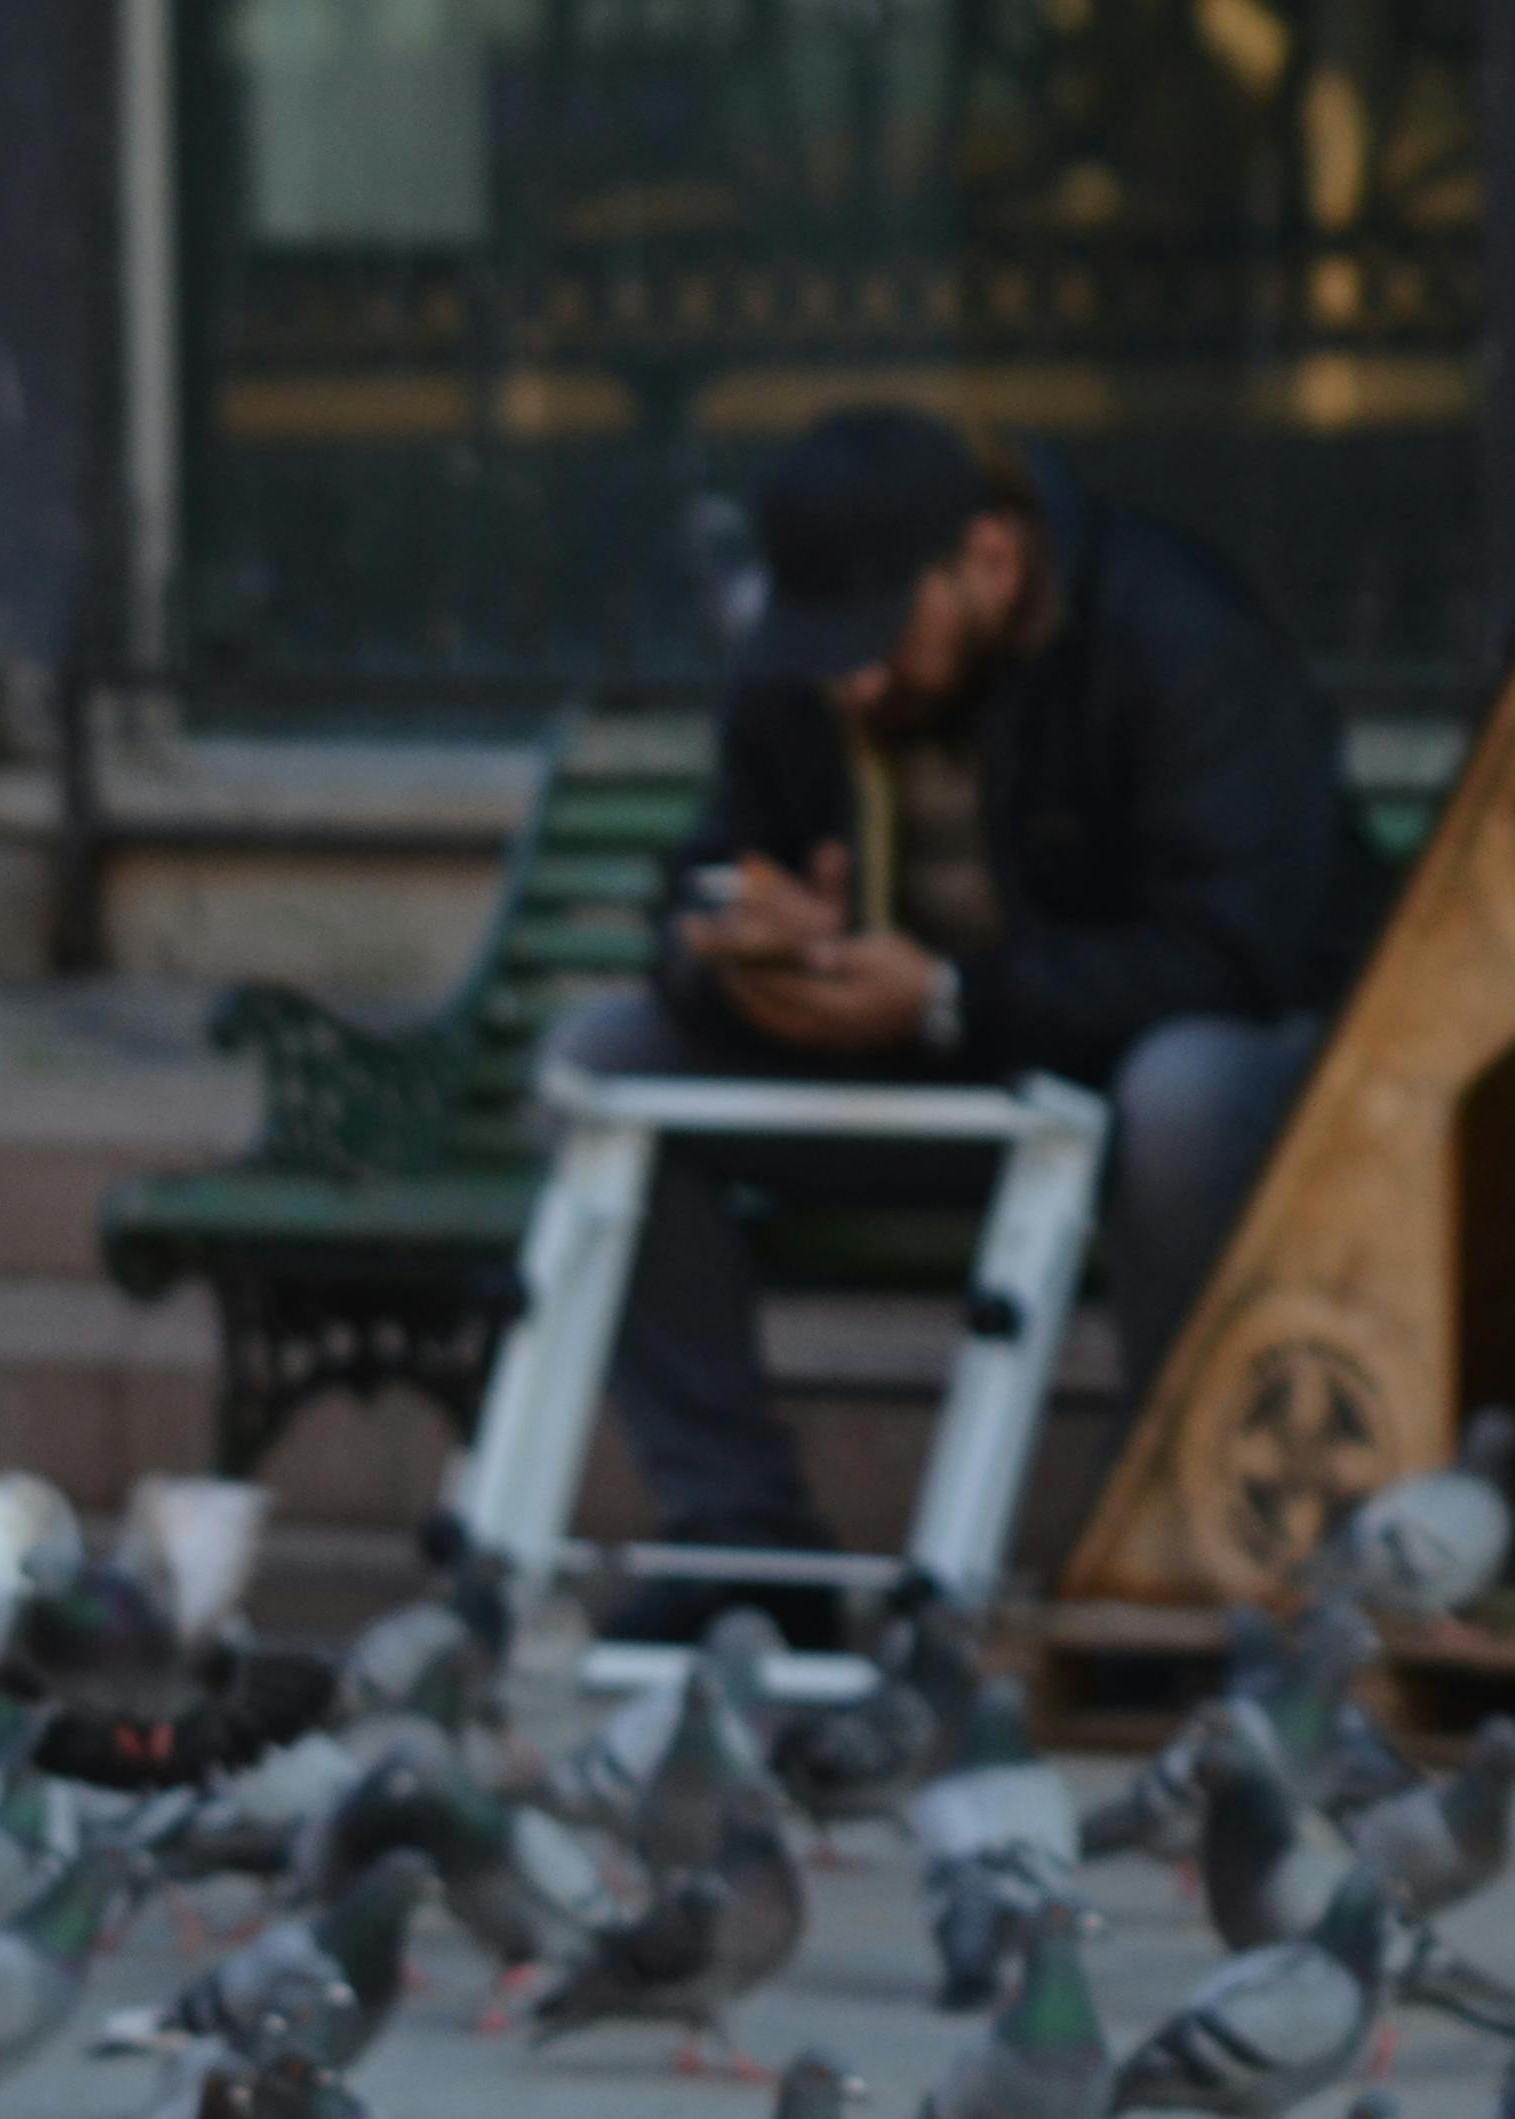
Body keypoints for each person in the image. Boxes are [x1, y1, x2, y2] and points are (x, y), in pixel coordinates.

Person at [566, 407, 1389, 1638]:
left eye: (880, 638)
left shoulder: (1175, 632)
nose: (854, 679)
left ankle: (1167, 1553)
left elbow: (1234, 958)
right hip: (924, 1080)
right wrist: (741, 949)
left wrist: (953, 998)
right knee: (602, 1060)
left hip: (1134, 1091)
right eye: (825, 648)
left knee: (1189, 1089)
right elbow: (701, 881)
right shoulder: (801, 664)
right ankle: (741, 1540)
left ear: (990, 564)